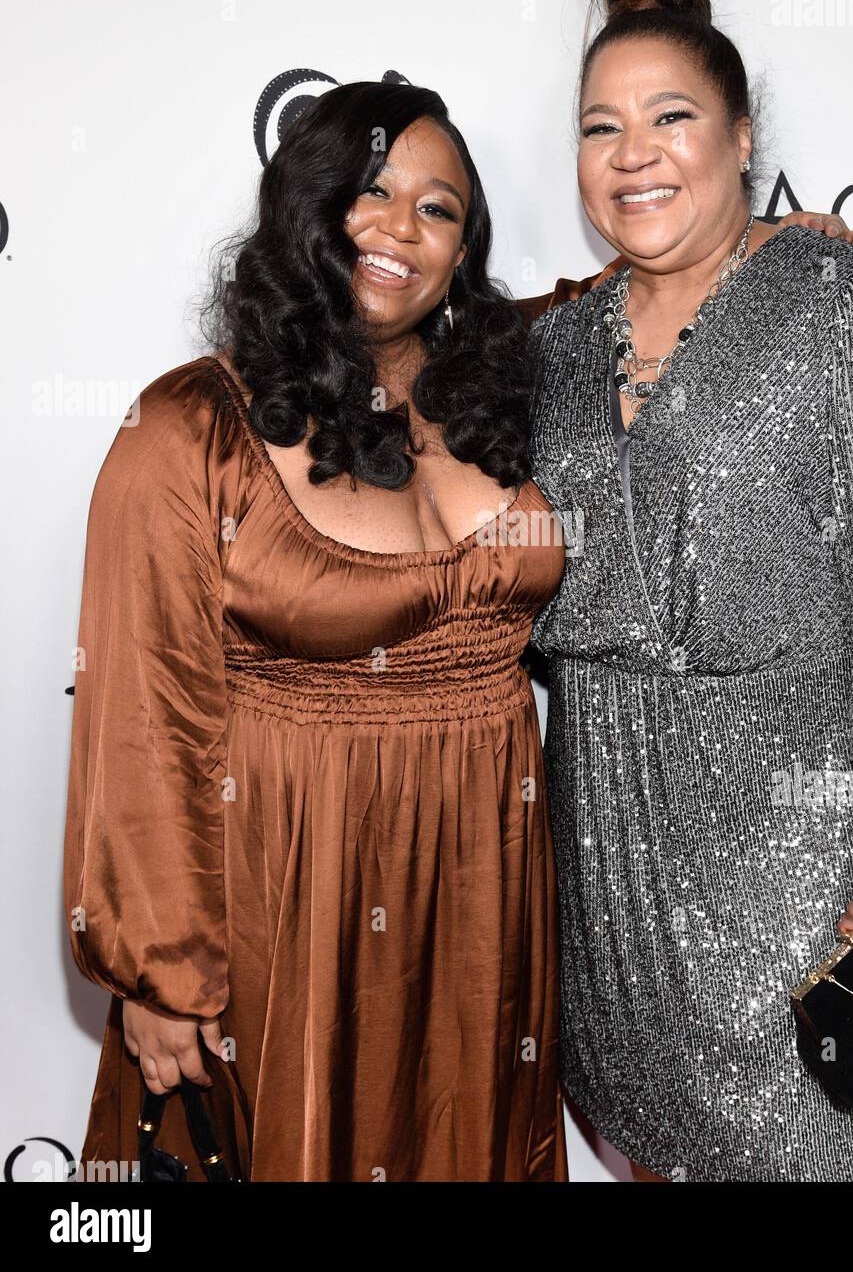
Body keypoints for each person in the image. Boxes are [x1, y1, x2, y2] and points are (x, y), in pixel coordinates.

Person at [524, 0, 853, 1183]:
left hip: (793, 868)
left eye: (671, 118)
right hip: (607, 868)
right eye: (599, 127)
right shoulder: (552, 351)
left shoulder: (849, 307)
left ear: (743, 141)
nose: (633, 157)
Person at [63, 80, 568, 1181]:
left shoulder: (487, 399)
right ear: (306, 205)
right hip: (292, 893)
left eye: (441, 210)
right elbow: (142, 722)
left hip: (480, 896)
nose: (402, 228)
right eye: (372, 192)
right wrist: (157, 977)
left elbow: (643, 284)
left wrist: (759, 239)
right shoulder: (188, 431)